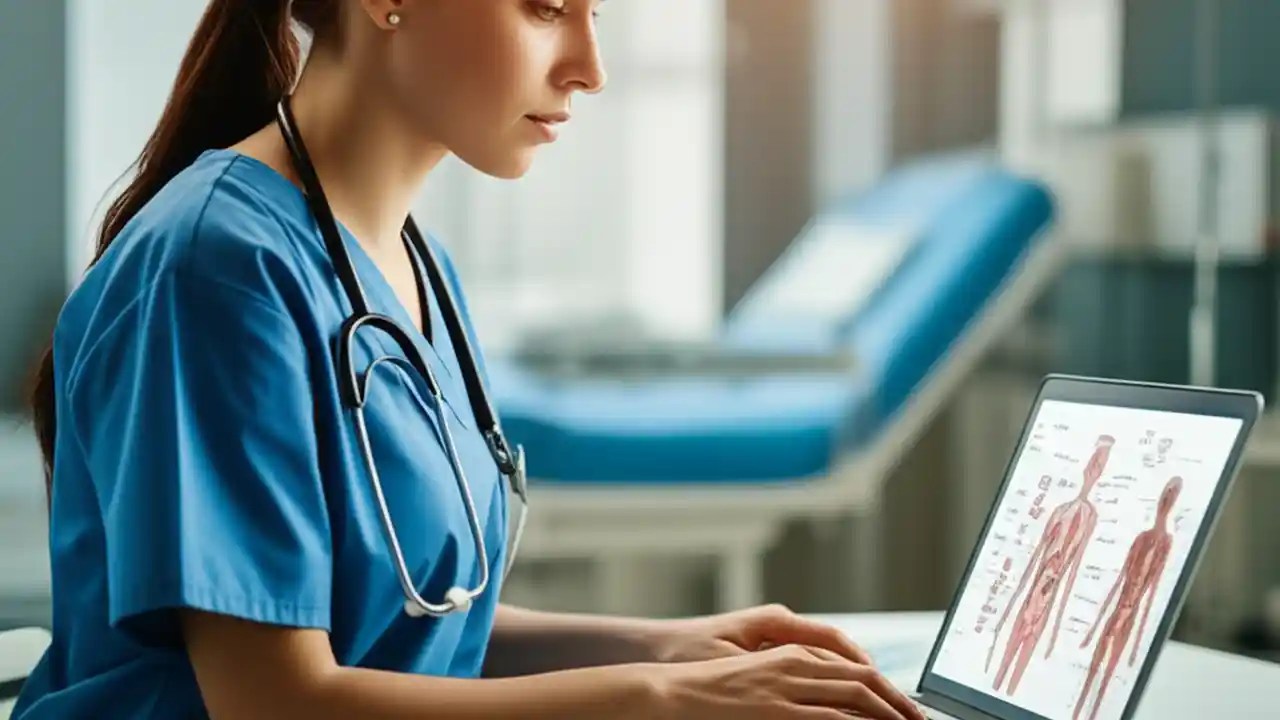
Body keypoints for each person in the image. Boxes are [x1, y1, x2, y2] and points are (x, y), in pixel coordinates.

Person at [17, 2, 926, 719]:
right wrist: (666, 699)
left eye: (594, 16)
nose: (590, 69)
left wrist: (666, 647)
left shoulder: (418, 269)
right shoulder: (220, 269)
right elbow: (277, 699)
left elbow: (410, 629)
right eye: (543, 9)